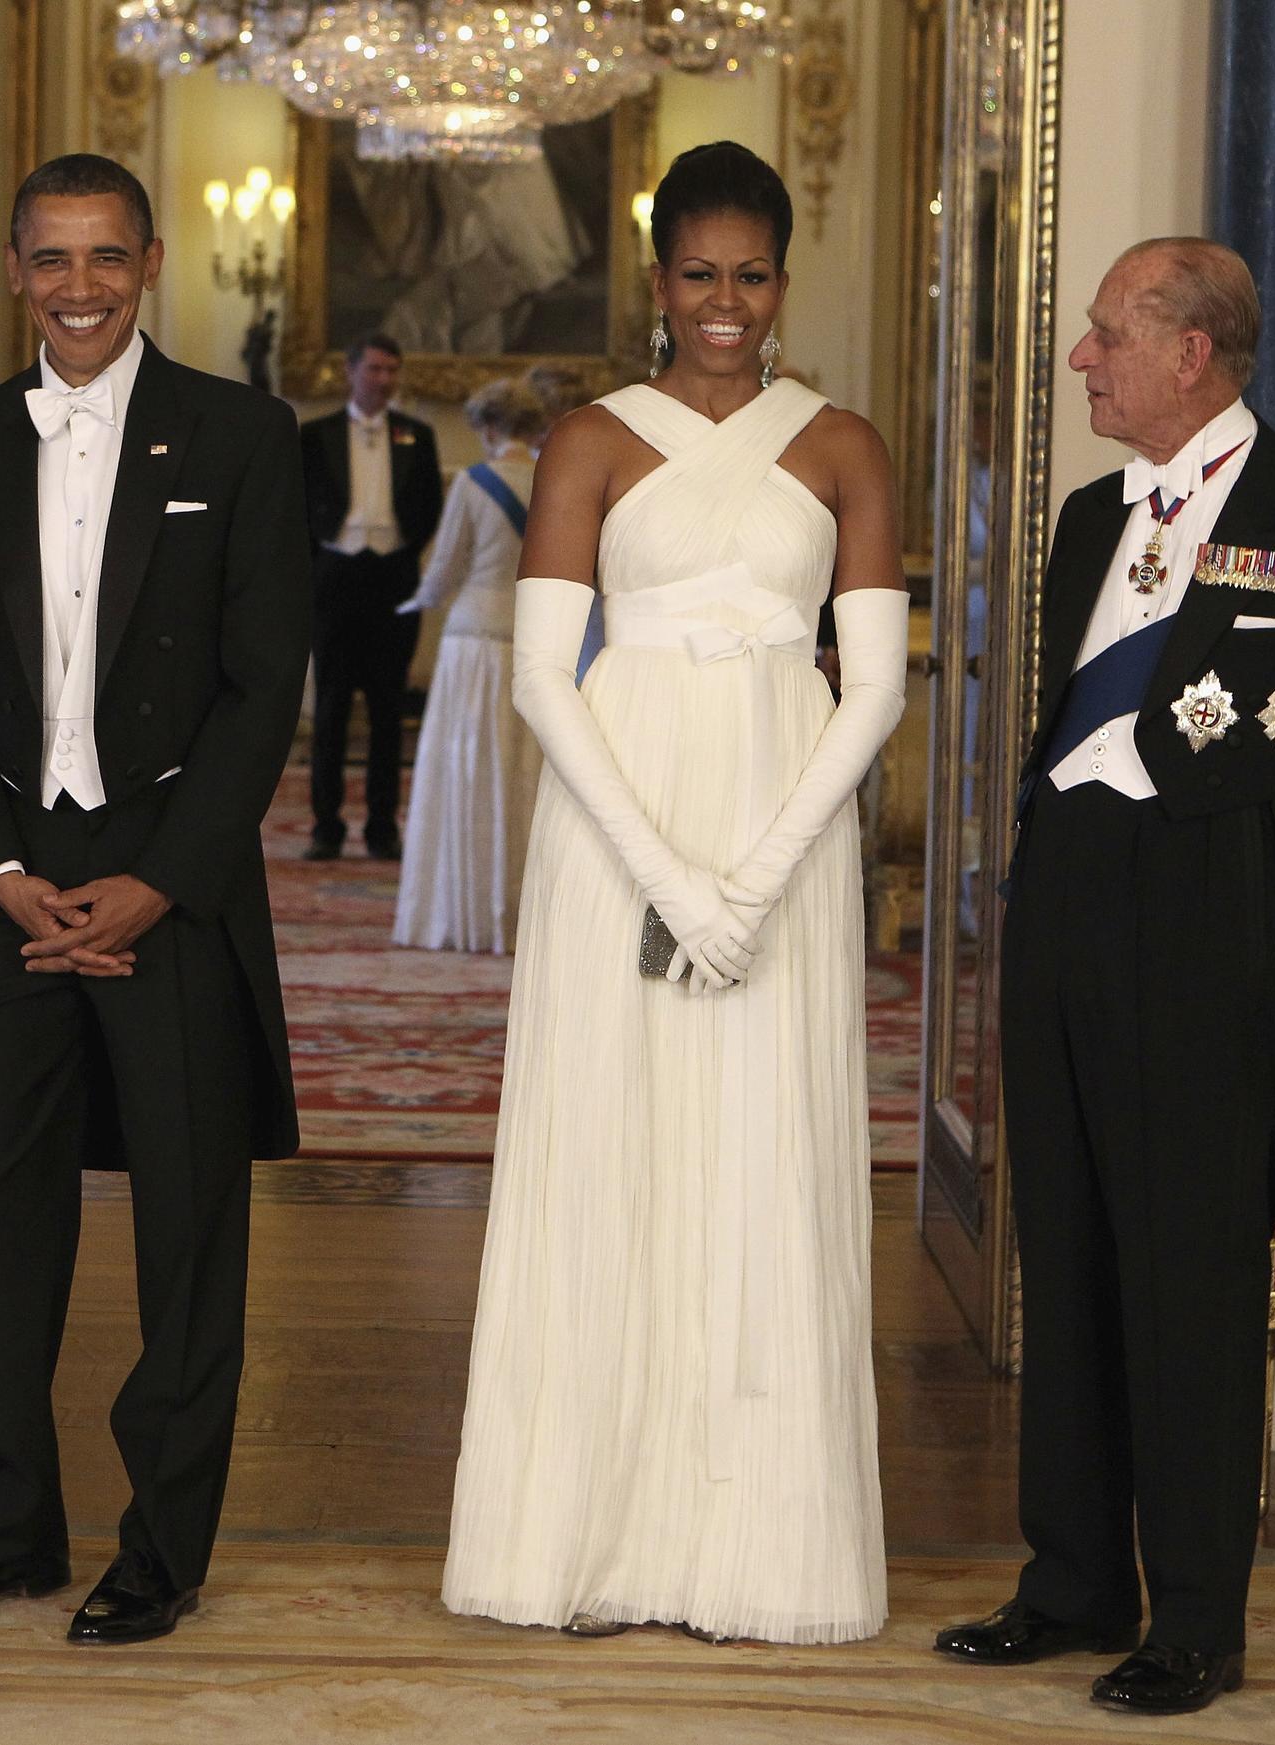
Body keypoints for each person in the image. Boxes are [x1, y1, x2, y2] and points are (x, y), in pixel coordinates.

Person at [933, 239, 1275, 1716]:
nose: (1083, 360)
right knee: (1071, 1252)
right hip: (1071, 912)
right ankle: (1075, 1579)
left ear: (1190, 352)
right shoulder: (1093, 520)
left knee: (1192, 1275)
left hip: (1217, 930)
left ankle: (1197, 1619)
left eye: (1104, 336)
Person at [442, 142, 908, 1644]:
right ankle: (581, 1536)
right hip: (615, 824)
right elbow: (540, 677)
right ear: (658, 282)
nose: (725, 303)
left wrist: (753, 884)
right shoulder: (589, 438)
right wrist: (670, 884)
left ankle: (763, 1554)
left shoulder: (842, 443)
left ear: (783, 280)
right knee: (612, 1149)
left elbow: (877, 691)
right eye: (697, 274)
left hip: (787, 823)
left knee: (764, 1158)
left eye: (752, 274)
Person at [0, 154, 311, 1645]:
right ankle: (9, 1526)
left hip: (171, 889)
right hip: (3, 885)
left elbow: (267, 692)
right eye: (53, 258)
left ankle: (163, 1546)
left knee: (188, 1229)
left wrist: (158, 880)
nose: (80, 286)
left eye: (107, 258)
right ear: (15, 268)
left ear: (151, 263)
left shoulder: (246, 438)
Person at [392, 379, 549, 953]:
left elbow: (444, 569)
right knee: (523, 774)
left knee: (468, 771)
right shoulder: (551, 479)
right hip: (531, 639)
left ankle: (463, 908)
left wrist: (413, 602)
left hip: (473, 641)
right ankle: (523, 912)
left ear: (485, 428)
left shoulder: (473, 482)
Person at [300, 334, 444, 860]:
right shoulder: (314, 436)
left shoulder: (416, 435)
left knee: (388, 712)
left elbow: (429, 505)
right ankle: (326, 827)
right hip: (334, 581)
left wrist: (399, 550)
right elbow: (296, 506)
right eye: (376, 369)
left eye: (392, 371)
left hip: (393, 581)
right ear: (351, 370)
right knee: (332, 710)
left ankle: (382, 827)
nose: (384, 380)